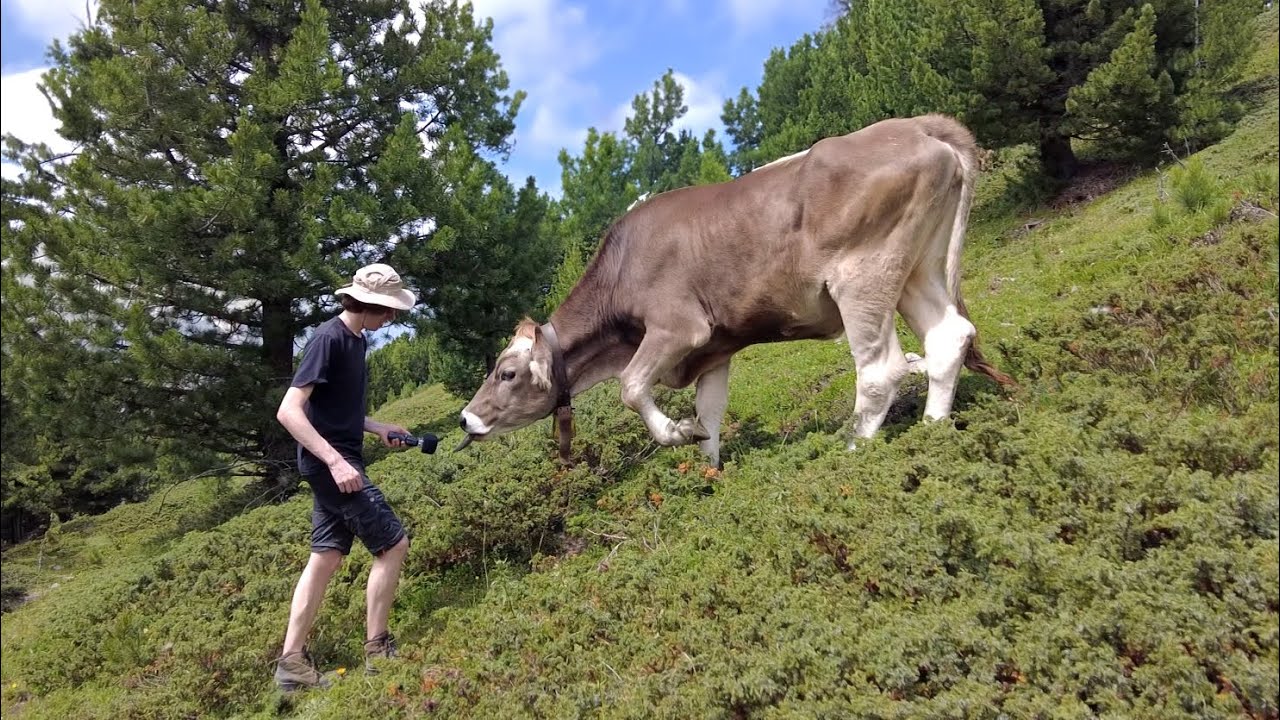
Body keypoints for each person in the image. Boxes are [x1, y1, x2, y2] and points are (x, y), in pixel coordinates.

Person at [272, 263, 418, 692]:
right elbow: (289, 411)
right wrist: (336, 462)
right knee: (393, 544)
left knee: (326, 557)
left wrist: (377, 428)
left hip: (339, 461)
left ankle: (291, 665)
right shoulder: (328, 339)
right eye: (387, 311)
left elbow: (336, 412)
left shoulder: (355, 341)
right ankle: (377, 650)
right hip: (331, 467)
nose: (390, 319)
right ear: (367, 303)